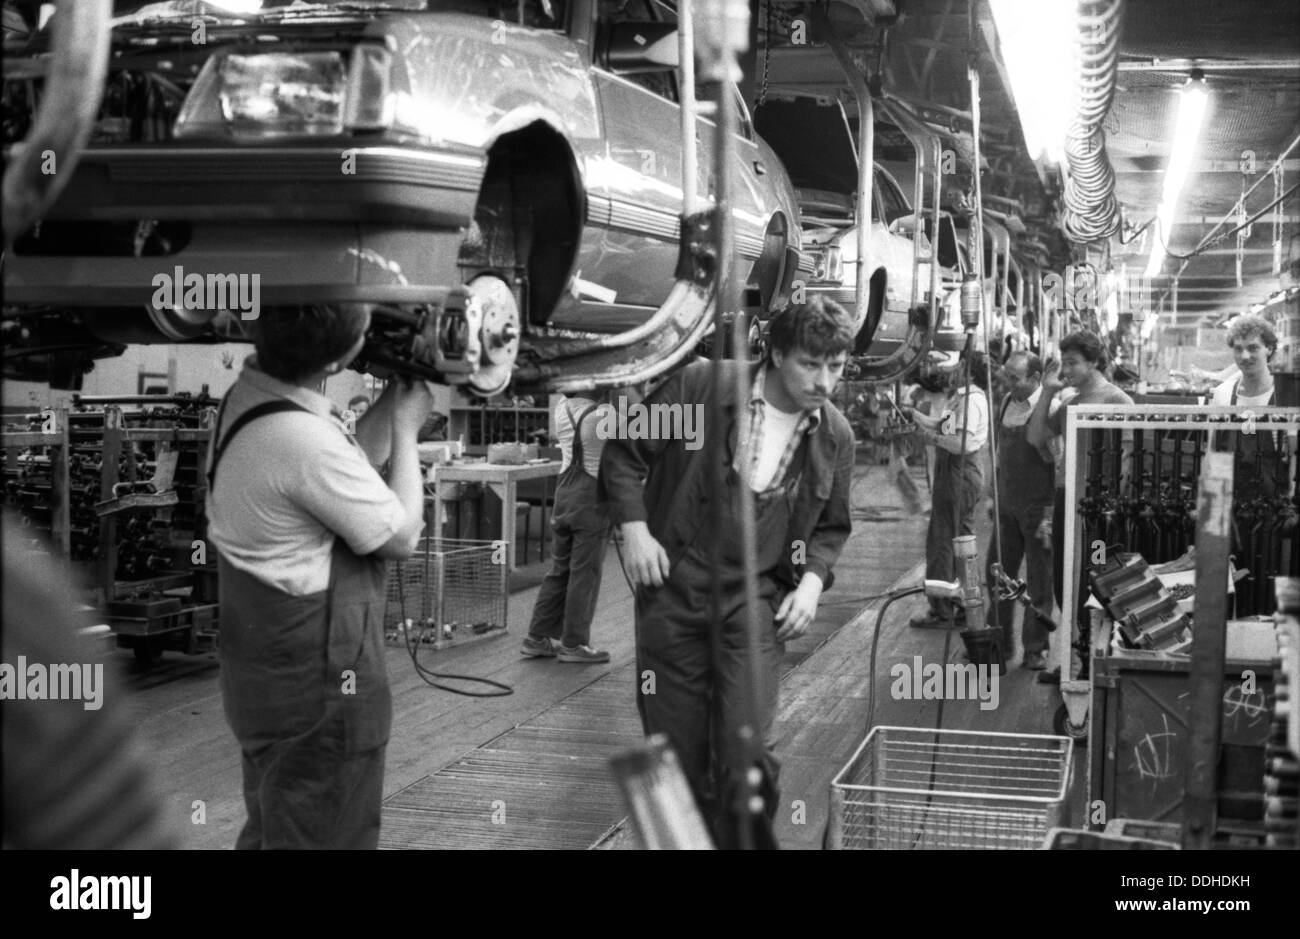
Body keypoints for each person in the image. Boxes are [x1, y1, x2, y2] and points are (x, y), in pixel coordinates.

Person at [600, 296, 855, 847]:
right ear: (777, 352)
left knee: (746, 755)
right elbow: (622, 451)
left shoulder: (835, 435)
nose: (824, 381)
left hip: (756, 601)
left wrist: (811, 581)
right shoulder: (699, 386)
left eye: (835, 367)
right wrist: (634, 529)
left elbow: (832, 527)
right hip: (674, 594)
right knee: (672, 758)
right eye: (810, 364)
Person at [206, 309, 431, 849]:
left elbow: (342, 465)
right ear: (343, 358)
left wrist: (389, 401)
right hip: (319, 696)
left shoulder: (251, 400)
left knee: (277, 827)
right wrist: (407, 428)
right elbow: (400, 537)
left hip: (268, 683)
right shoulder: (298, 436)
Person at [1027, 329, 1133, 682]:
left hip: (1098, 510)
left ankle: (1090, 663)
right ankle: (1073, 664)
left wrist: (1113, 507)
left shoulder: (1117, 401)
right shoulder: (1071, 403)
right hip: (1065, 501)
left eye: (1072, 363)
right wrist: (1048, 393)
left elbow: (1128, 458)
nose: (1066, 370)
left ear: (1094, 362)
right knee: (1064, 582)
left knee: (1096, 578)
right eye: (1065, 363)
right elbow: (1036, 436)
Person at [521, 388, 620, 664]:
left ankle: (536, 637)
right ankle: (574, 643)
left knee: (559, 570)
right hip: (591, 501)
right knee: (584, 574)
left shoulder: (561, 409)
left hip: (564, 496)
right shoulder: (604, 415)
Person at [1211, 314, 1291, 615]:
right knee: (1231, 588)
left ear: (1269, 349)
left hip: (1275, 510)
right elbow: (1212, 450)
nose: (1245, 355)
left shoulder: (1286, 396)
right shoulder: (1223, 395)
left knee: (1272, 590)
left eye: (1253, 348)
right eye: (1238, 348)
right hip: (1231, 508)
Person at [904, 350, 991, 627]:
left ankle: (943, 610)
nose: (949, 370)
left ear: (967, 368)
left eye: (957, 364)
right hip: (955, 472)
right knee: (959, 542)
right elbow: (946, 428)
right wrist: (916, 417)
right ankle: (964, 604)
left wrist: (927, 437)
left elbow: (960, 444)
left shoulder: (971, 401)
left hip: (959, 472)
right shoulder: (962, 398)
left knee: (943, 542)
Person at [984, 351, 1055, 669]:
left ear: (1036, 379)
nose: (1007, 382)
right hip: (1007, 504)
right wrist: (991, 495)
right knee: (997, 572)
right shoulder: (1005, 403)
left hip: (1039, 507)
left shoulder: (1050, 408)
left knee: (1039, 579)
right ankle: (997, 645)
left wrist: (1052, 515)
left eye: (1015, 377)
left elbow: (1061, 462)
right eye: (1006, 375)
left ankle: (1035, 647)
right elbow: (998, 453)